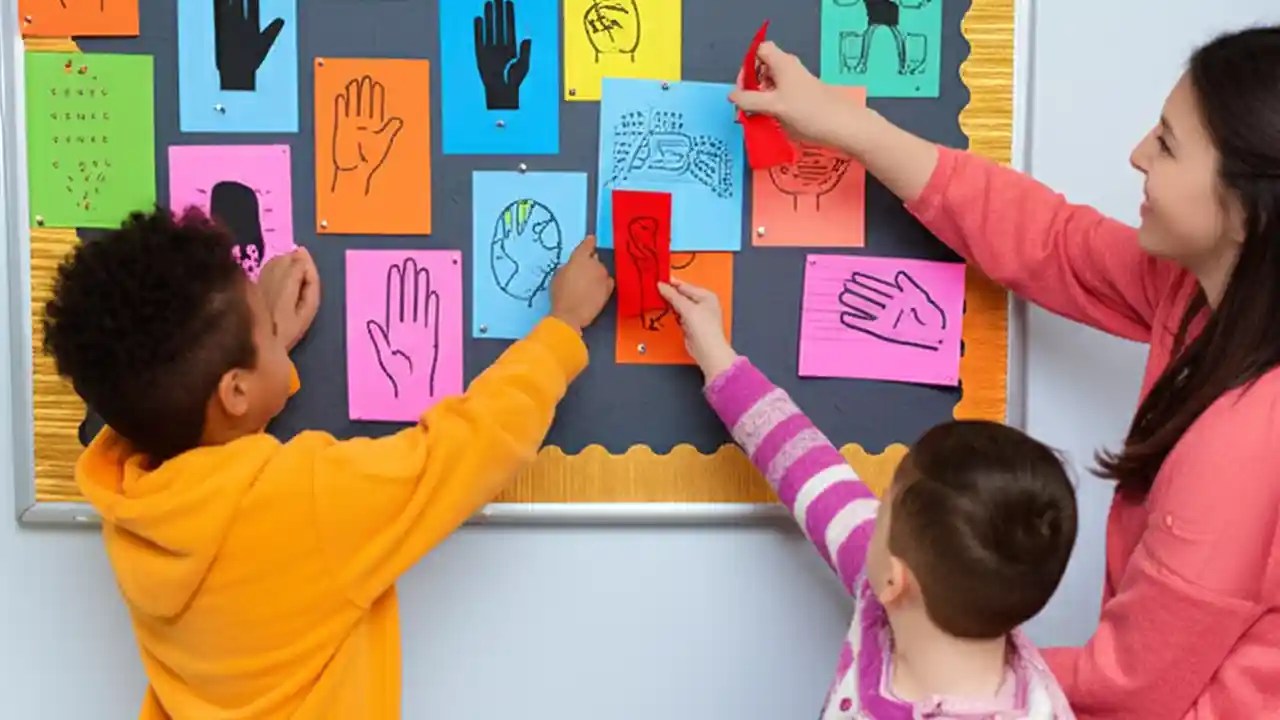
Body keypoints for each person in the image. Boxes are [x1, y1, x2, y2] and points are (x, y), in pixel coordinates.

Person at [730, 25, 1280, 719]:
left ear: (1246, 211)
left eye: (1168, 144)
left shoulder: (1244, 445)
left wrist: (922, 667)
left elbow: (1133, 688)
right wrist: (852, 128)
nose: (1137, 155)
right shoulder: (1202, 296)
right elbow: (1050, 242)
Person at [42, 208, 614, 719]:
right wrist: (562, 329)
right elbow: (470, 446)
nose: (274, 329)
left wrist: (262, 360)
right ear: (234, 392)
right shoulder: (311, 500)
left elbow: (223, 472)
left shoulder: (134, 505)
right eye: (267, 330)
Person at [657, 279, 1077, 718]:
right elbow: (810, 471)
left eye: (882, 513)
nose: (867, 514)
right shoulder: (913, 587)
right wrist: (718, 358)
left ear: (895, 581)